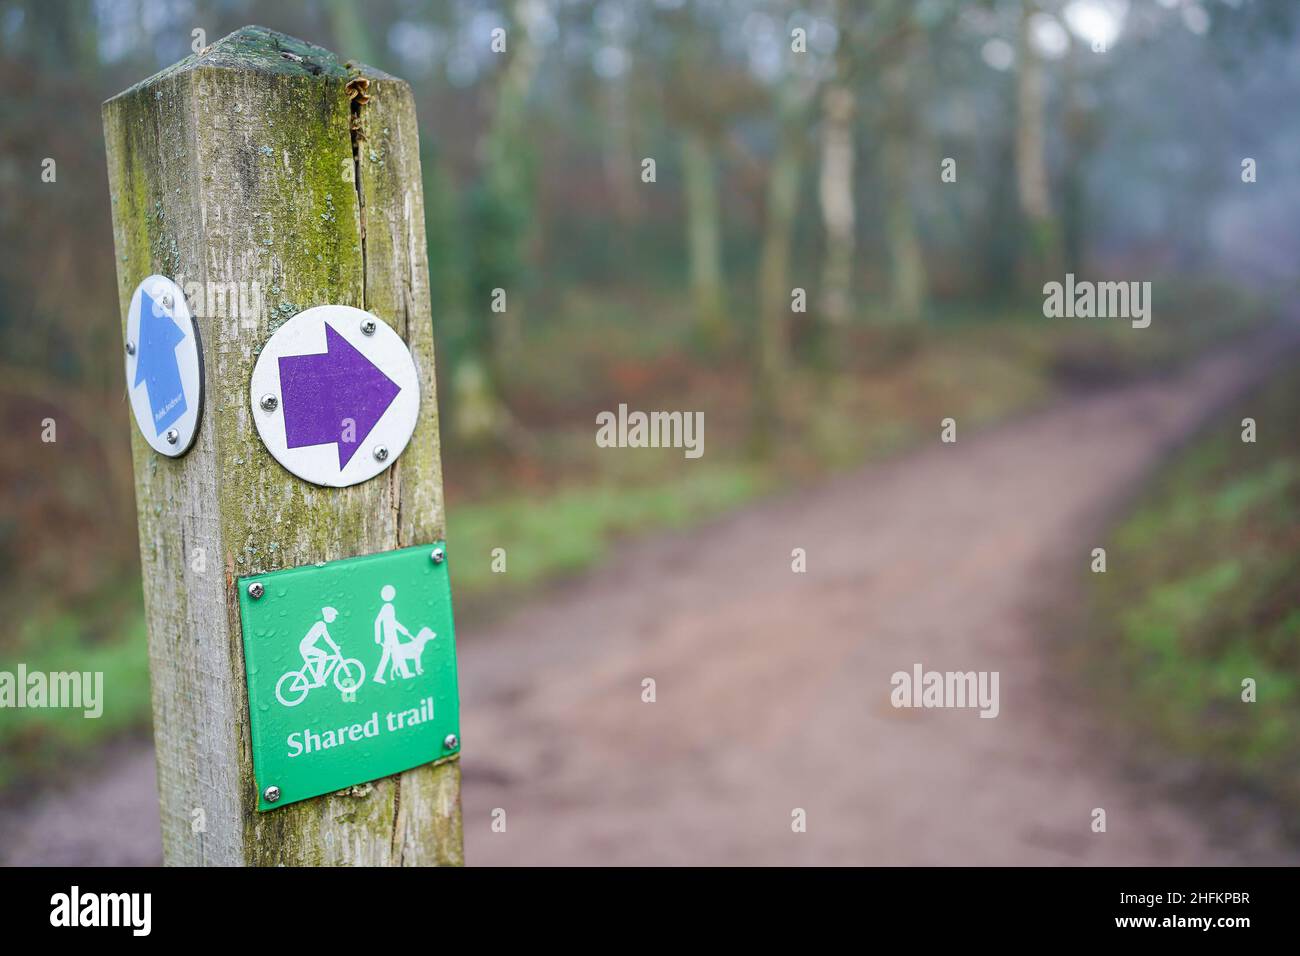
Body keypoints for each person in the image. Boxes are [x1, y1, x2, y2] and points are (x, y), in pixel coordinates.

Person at [373, 585, 413, 684]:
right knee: (388, 656)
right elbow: (378, 621)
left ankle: (405, 673)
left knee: (395, 654)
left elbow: (392, 622)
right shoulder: (387, 607)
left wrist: (404, 630)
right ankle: (378, 676)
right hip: (389, 637)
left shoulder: (388, 607)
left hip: (391, 636)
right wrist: (377, 638)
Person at [299, 607, 341, 684]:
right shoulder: (320, 624)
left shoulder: (321, 624)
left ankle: (318, 677)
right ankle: (318, 678)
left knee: (322, 655)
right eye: (333, 616)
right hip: (305, 647)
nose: (334, 618)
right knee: (323, 654)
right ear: (328, 616)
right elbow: (328, 639)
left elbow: (328, 639)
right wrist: (335, 648)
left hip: (306, 646)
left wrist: (335, 647)